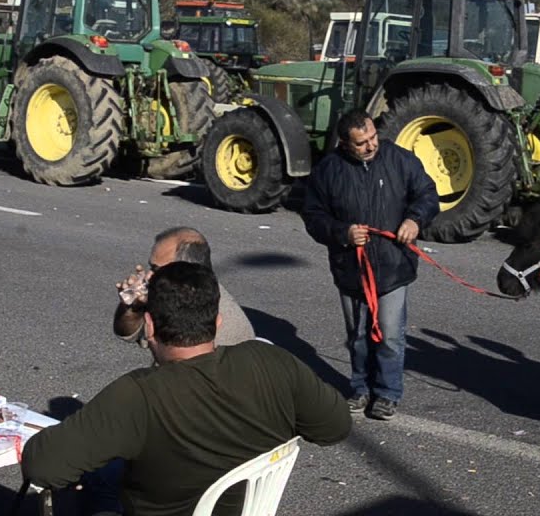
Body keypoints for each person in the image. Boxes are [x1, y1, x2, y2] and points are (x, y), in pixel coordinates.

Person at [23, 262, 351, 516]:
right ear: (218, 322)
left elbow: (41, 467)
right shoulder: (271, 359)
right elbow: (335, 426)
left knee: (95, 475)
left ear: (149, 326)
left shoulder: (138, 396)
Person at [302, 109, 439, 421]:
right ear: (345, 144)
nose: (370, 145)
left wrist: (415, 220)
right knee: (358, 336)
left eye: (373, 137)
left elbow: (428, 195)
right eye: (361, 143)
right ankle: (361, 388)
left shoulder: (400, 160)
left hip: (393, 266)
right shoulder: (328, 171)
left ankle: (388, 393)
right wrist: (343, 233)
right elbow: (313, 216)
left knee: (390, 334)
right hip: (350, 267)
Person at [113, 226, 255, 347]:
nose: (149, 276)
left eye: (156, 269)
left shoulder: (203, 317)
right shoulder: (181, 293)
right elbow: (129, 334)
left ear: (185, 270)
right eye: (151, 267)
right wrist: (132, 308)